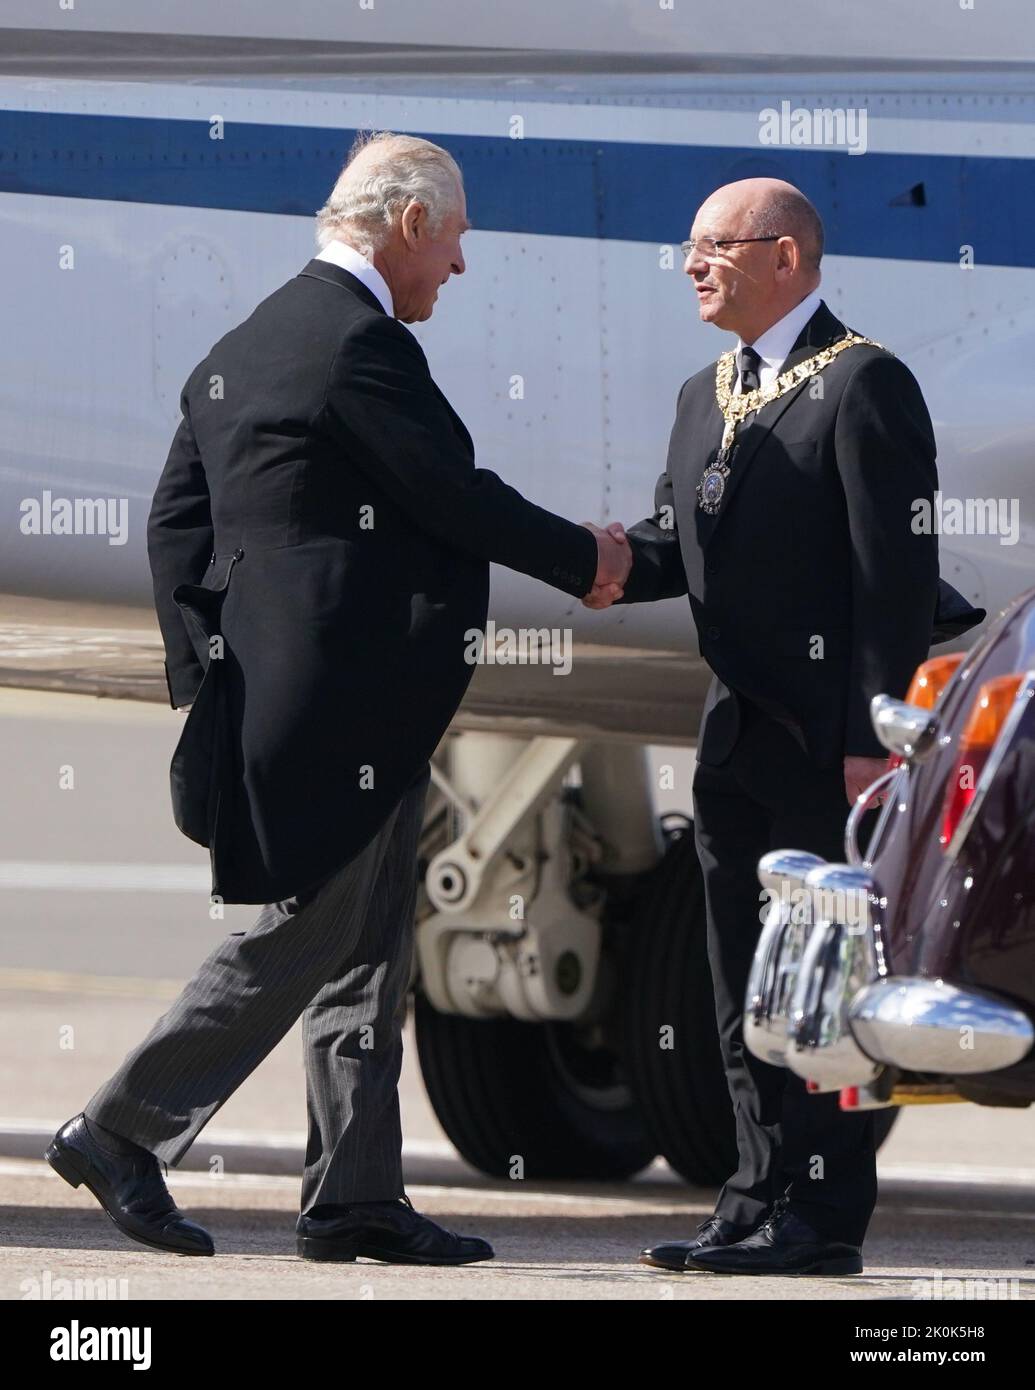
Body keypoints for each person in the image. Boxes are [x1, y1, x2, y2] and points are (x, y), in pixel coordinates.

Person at [45, 131, 631, 1267]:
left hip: (317, 699)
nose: (457, 268)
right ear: (409, 222)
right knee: (306, 931)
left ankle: (354, 1193)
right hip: (347, 703)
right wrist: (589, 560)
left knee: (369, 946)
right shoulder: (354, 347)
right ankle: (121, 1129)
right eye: (454, 242)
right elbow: (453, 495)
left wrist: (214, 669)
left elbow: (176, 521)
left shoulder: (248, 340)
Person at [583, 177, 939, 1276]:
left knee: (824, 992)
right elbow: (674, 543)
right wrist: (585, 559)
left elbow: (896, 578)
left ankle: (822, 1217)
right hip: (735, 740)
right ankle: (752, 1196)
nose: (691, 264)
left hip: (830, 747)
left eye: (713, 246)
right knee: (744, 988)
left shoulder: (866, 382)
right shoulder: (706, 392)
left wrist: (876, 739)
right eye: (686, 246)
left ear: (785, 256)